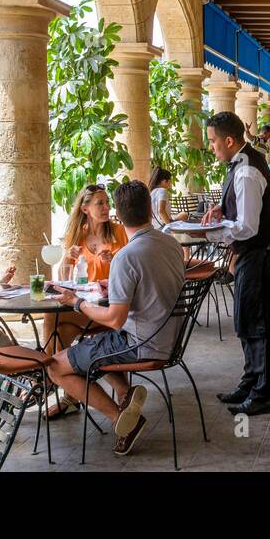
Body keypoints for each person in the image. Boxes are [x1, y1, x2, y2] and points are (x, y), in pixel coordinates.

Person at [45, 180, 186, 456]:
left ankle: (121, 420)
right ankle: (122, 394)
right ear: (149, 208)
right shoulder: (170, 243)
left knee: (54, 365)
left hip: (140, 343)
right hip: (170, 337)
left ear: (118, 216)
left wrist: (78, 302)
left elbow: (114, 320)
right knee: (83, 340)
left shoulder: (127, 256)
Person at [195, 111, 270, 416]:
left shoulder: (246, 170)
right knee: (247, 320)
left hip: (261, 254)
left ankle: (264, 393)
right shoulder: (243, 162)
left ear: (230, 141)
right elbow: (245, 210)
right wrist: (223, 207)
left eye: (213, 141)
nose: (211, 147)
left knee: (259, 324)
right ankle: (250, 383)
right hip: (255, 254)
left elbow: (247, 227)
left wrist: (209, 232)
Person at [42, 184, 129, 363]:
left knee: (52, 316)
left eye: (107, 202)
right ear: (85, 209)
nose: (107, 207)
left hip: (110, 306)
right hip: (87, 304)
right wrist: (67, 257)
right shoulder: (77, 235)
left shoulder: (119, 232)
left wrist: (113, 260)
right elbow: (63, 279)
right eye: (100, 203)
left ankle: (47, 372)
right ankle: (61, 379)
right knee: (63, 331)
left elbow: (131, 270)